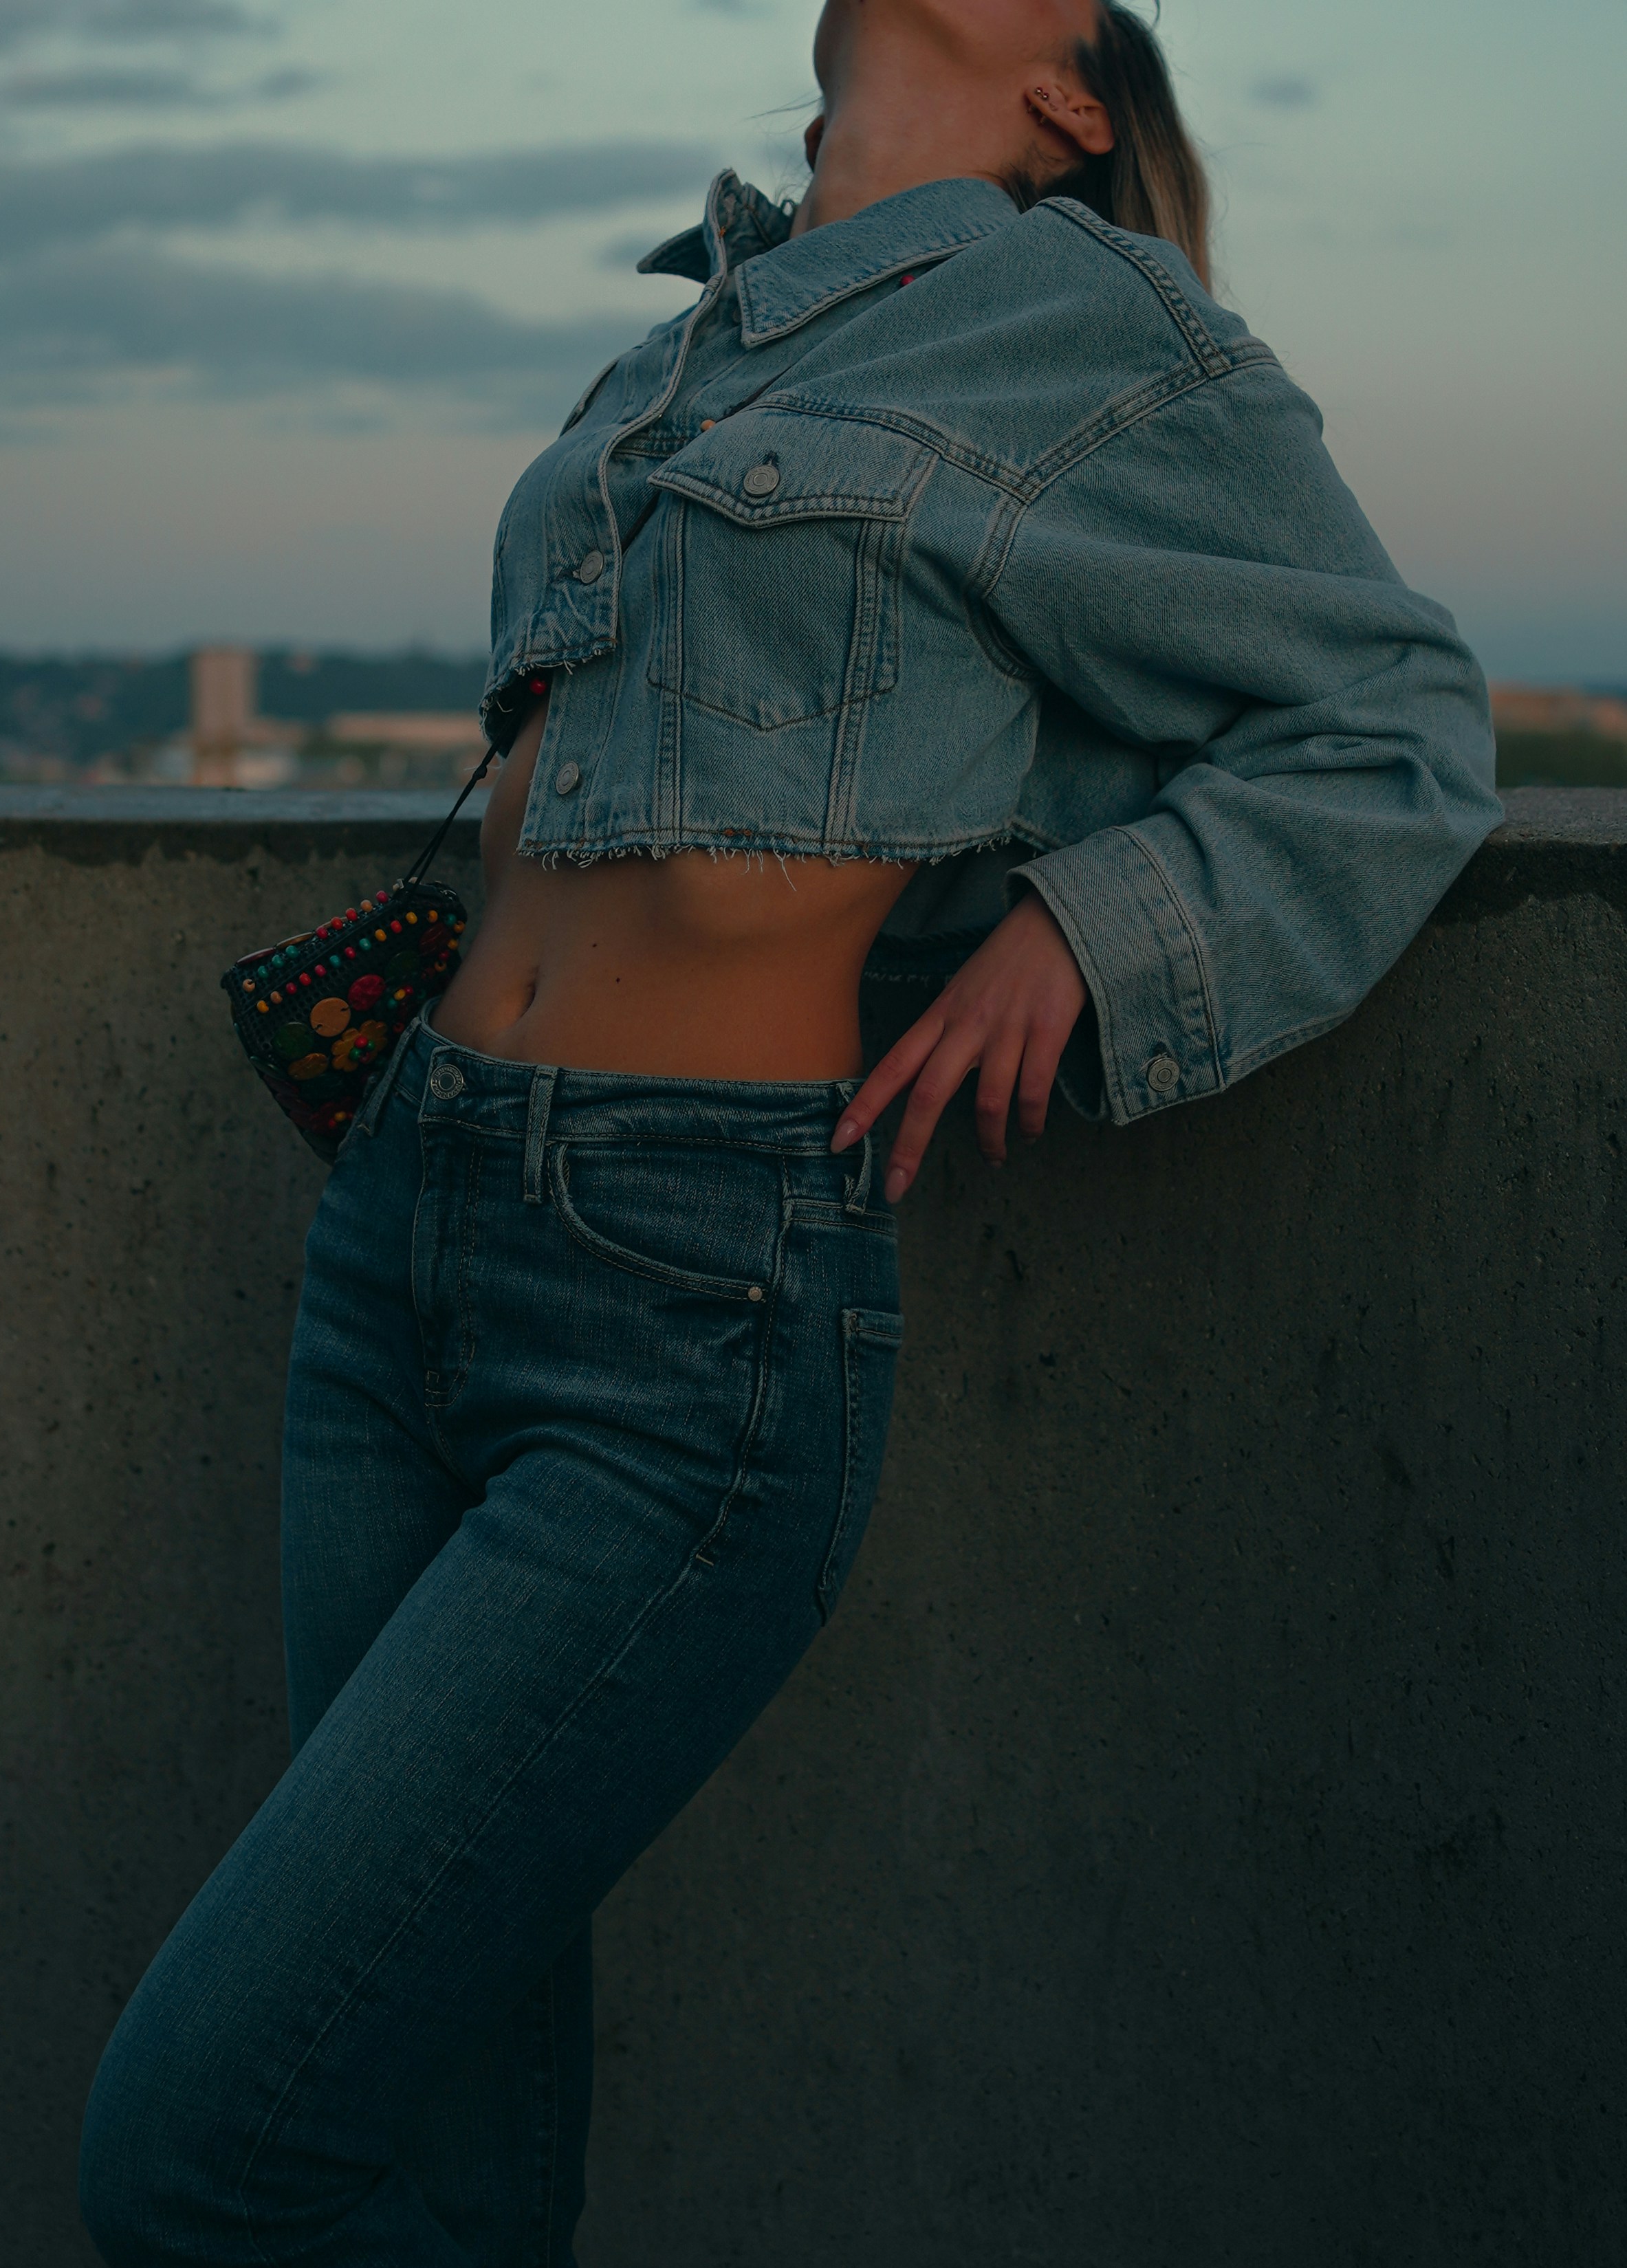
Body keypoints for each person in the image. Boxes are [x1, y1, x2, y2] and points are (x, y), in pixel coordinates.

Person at [80, 1, 1500, 2259]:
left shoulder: (1093, 322)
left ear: (1070, 94)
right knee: (432, 2101)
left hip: (685, 1306)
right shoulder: (692, 336)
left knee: (194, 2141)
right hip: (405, 1220)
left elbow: (1401, 721)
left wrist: (1099, 930)